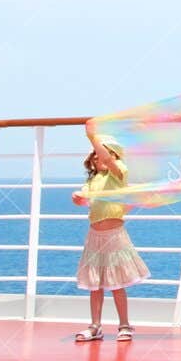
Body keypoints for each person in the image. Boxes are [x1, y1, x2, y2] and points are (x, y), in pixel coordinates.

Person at [72, 130, 149, 343]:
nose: (99, 158)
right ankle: (95, 326)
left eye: (104, 154)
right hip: (95, 236)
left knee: (117, 283)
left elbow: (107, 159)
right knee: (95, 284)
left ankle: (124, 325)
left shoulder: (118, 174)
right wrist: (78, 198)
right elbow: (83, 198)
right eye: (95, 156)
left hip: (115, 236)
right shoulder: (94, 181)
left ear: (115, 156)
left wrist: (92, 137)